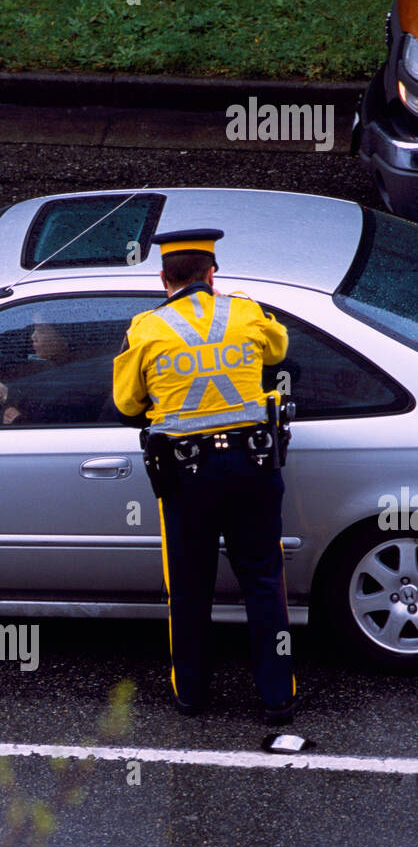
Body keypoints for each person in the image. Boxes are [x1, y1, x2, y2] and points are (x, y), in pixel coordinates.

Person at [112, 228, 297, 725]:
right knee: (264, 581)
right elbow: (278, 351)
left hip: (186, 476)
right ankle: (277, 698)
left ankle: (192, 694)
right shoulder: (246, 312)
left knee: (189, 587)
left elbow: (126, 404)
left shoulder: (145, 329)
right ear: (212, 273)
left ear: (163, 278)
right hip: (254, 466)